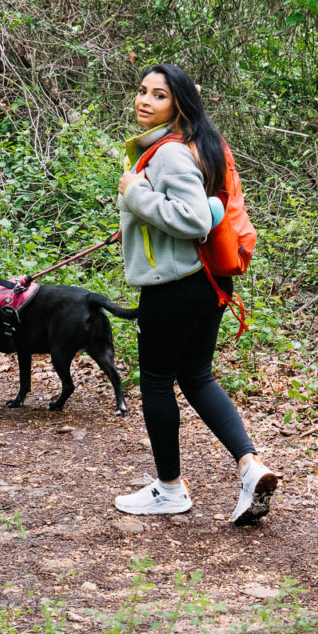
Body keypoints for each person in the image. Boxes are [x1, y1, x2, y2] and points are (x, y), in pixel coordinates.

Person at [111, 63, 278, 525]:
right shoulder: (202, 144)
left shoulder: (168, 154)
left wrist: (134, 195)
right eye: (142, 91)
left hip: (175, 286)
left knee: (157, 382)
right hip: (208, 283)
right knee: (197, 376)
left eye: (158, 95)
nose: (145, 100)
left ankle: (168, 489)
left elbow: (193, 219)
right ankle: (250, 467)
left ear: (179, 104)